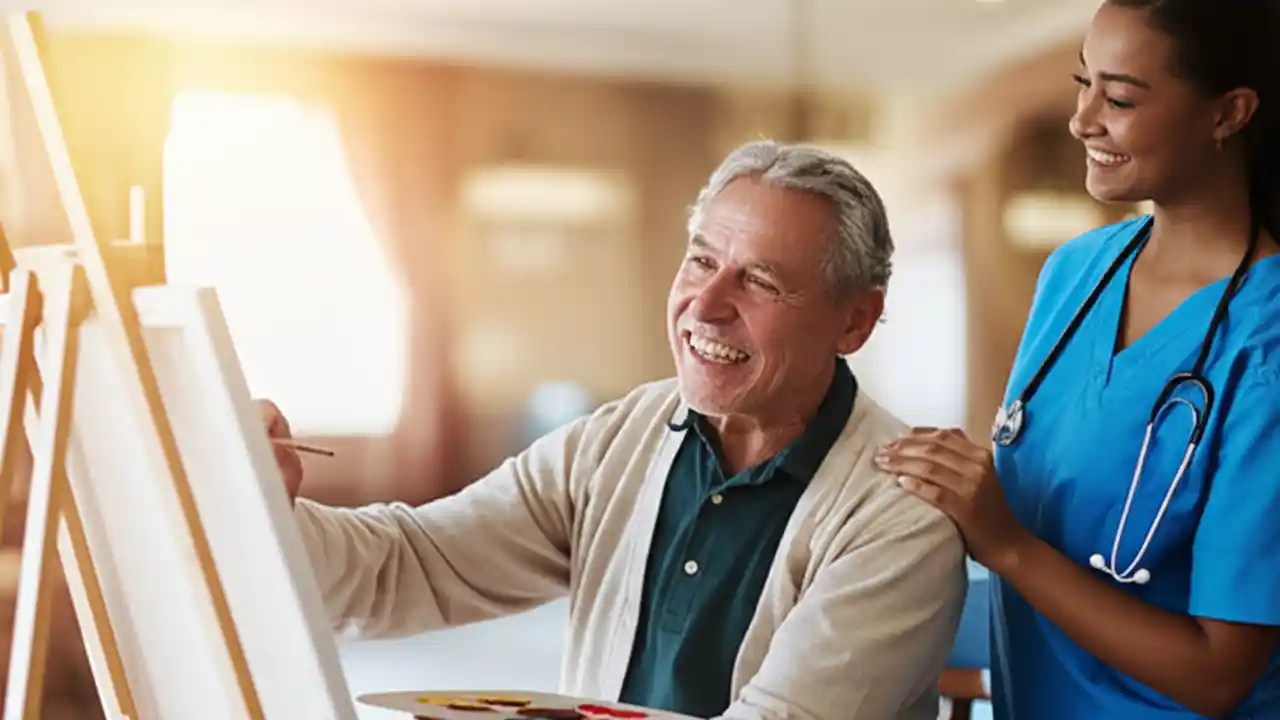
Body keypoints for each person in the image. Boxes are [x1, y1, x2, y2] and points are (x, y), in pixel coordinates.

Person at [262, 140, 967, 720]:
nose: (707, 304)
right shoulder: (619, 438)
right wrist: (260, 504)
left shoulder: (900, 512)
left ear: (854, 322)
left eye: (761, 282)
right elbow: (409, 564)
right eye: (701, 260)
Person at [875, 1, 1280, 718]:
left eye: (1120, 97)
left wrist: (1005, 544)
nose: (1082, 119)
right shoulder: (1076, 273)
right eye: (1082, 82)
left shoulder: (1265, 340)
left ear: (1229, 114)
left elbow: (1219, 674)